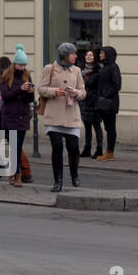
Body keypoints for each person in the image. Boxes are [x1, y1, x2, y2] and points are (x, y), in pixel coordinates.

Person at [38, 42, 86, 192]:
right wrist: (54, 91)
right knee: (57, 148)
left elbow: (83, 92)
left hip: (71, 115)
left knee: (73, 148)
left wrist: (76, 93)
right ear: (65, 55)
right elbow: (41, 88)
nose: (76, 56)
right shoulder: (50, 69)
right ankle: (57, 181)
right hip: (54, 115)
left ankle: (74, 175)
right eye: (73, 53)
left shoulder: (77, 70)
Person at [0, 46, 35, 185]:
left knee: (17, 146)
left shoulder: (27, 75)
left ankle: (13, 173)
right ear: (14, 63)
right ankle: (17, 174)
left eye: (24, 65)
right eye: (20, 64)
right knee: (15, 146)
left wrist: (30, 92)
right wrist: (19, 89)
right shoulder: (7, 76)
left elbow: (30, 100)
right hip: (10, 116)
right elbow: (5, 95)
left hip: (22, 116)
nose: (22, 67)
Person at [93, 45, 121, 160]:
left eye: (102, 53)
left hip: (110, 103)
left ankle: (110, 152)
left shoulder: (113, 67)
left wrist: (105, 95)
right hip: (103, 102)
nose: (100, 55)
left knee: (110, 127)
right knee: (107, 127)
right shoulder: (104, 67)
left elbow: (117, 85)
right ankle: (107, 151)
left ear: (107, 55)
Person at [79, 48, 101, 158]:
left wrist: (83, 82)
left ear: (94, 57)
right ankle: (87, 149)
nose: (88, 57)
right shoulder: (81, 70)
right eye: (87, 55)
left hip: (94, 102)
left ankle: (99, 149)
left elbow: (91, 83)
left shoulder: (98, 70)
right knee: (87, 126)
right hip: (84, 101)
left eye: (91, 55)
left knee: (97, 126)